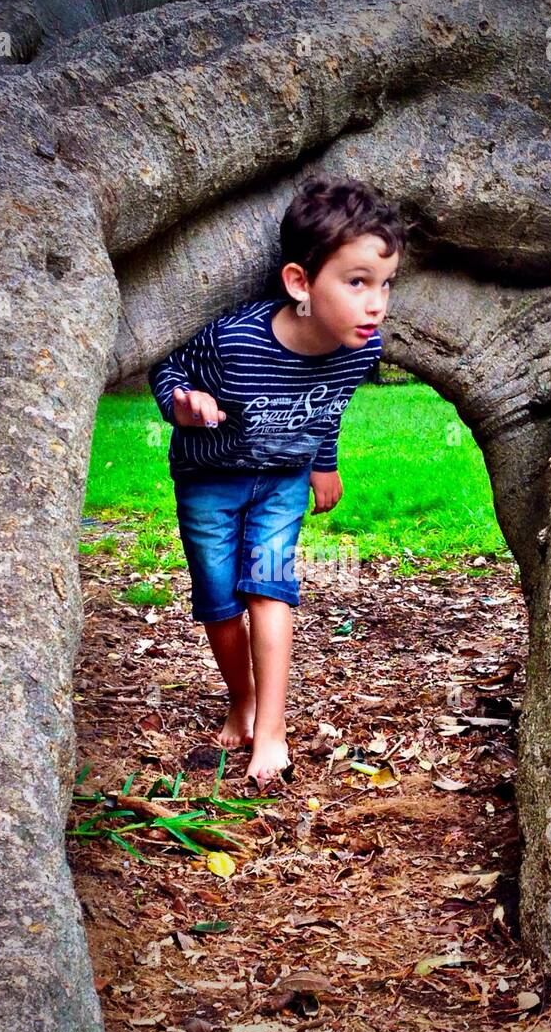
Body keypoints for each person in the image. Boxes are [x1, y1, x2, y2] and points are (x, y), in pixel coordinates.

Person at [149, 174, 407, 785]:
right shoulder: (236, 340)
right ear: (300, 283)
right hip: (209, 479)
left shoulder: (360, 349)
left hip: (283, 480)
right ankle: (242, 697)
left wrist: (324, 463)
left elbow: (327, 408)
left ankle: (273, 730)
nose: (377, 304)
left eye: (386, 284)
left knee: (271, 587)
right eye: (357, 282)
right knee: (218, 599)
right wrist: (181, 403)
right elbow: (169, 367)